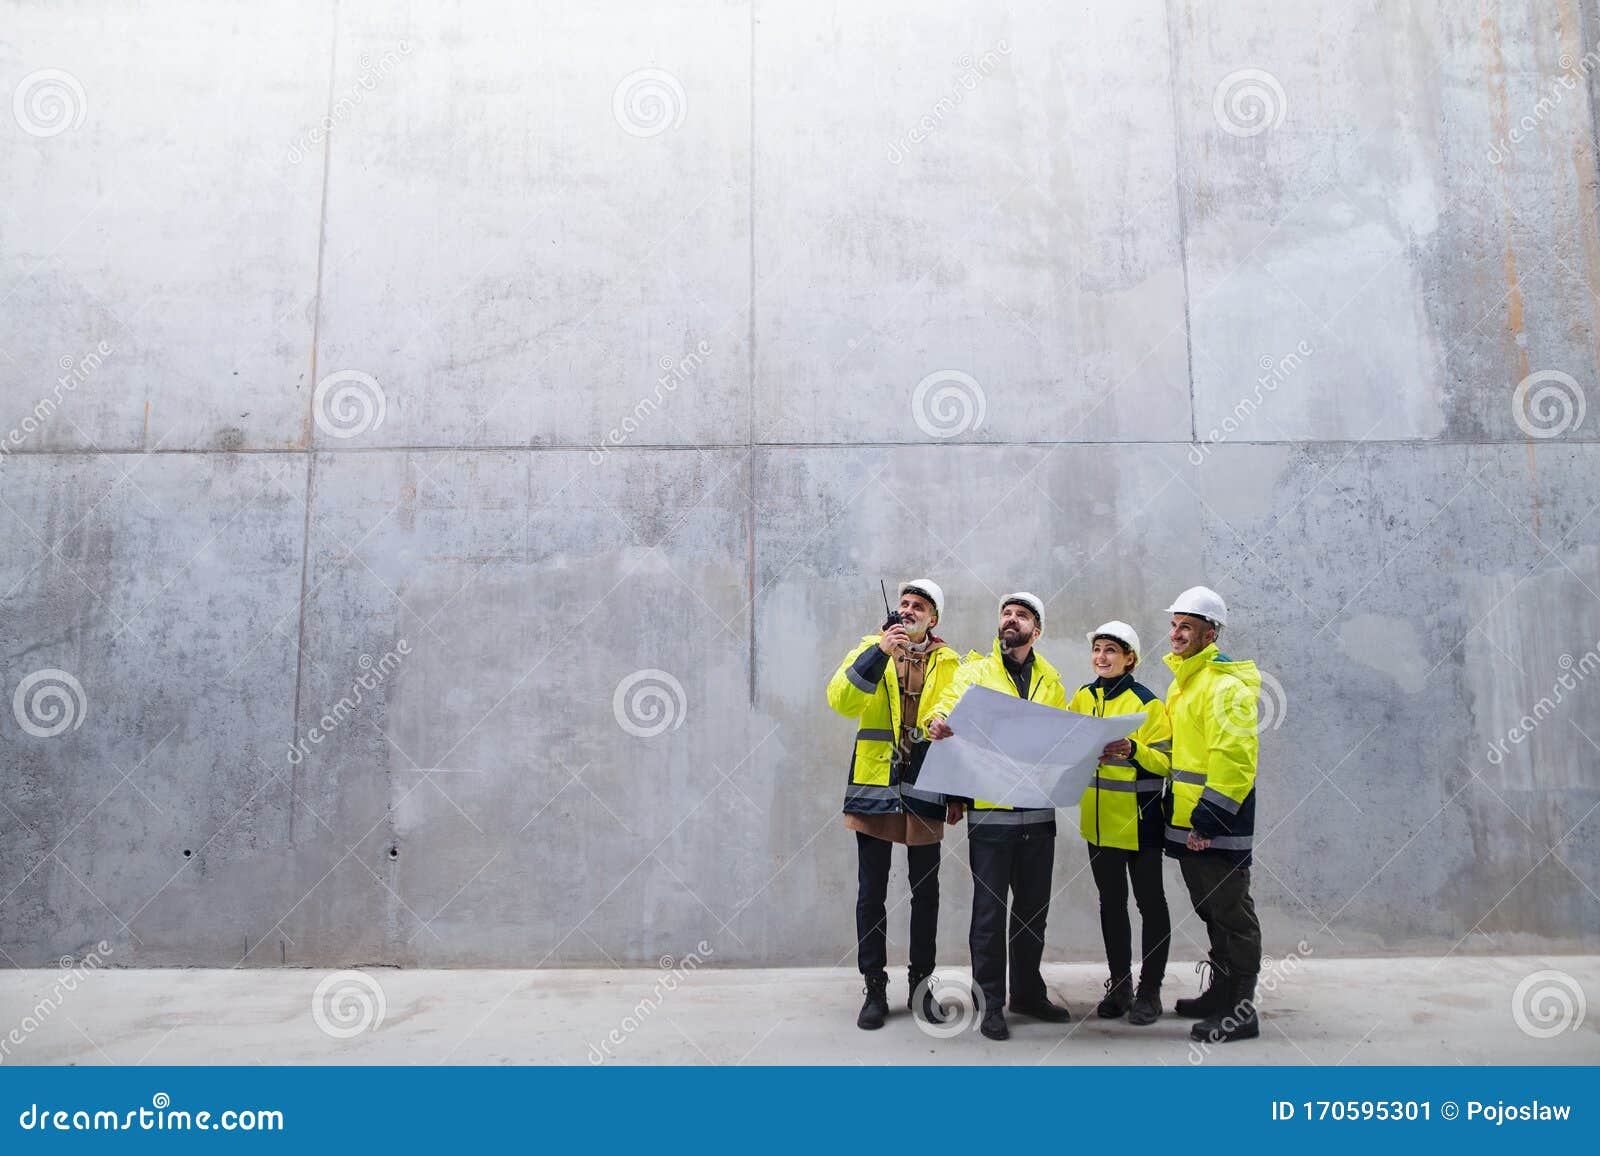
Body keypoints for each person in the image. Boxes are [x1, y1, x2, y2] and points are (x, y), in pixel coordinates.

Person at [926, 592, 1071, 1041]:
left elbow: (1060, 737)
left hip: (1038, 814)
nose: (1011, 620)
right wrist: (936, 721)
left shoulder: (1052, 680)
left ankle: (1028, 992)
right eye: (1006, 614)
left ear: (1036, 629)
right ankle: (990, 1003)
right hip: (991, 814)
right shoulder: (975, 671)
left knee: (1033, 913)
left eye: (1021, 616)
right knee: (989, 915)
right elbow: (943, 707)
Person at [825, 579, 961, 1030]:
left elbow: (959, 721)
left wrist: (958, 789)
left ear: (933, 617)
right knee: (871, 893)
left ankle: (923, 989)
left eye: (918, 605)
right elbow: (841, 702)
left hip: (926, 785)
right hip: (874, 787)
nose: (907, 610)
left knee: (927, 894)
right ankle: (875, 988)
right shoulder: (869, 647)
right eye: (903, 603)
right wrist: (880, 652)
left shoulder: (952, 661)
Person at [1160, 585, 1263, 1043]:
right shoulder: (1184, 685)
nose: (1177, 633)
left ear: (1210, 634)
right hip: (1192, 824)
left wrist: (1208, 822)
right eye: (1175, 624)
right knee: (1212, 912)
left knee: (1233, 915)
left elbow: (1235, 760)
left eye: (1188, 626)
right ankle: (1221, 994)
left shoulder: (1223, 687)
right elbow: (1179, 754)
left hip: (1216, 826)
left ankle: (1241, 1011)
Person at [1069, 621, 1174, 1025]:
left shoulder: (1148, 703)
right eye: (1097, 649)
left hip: (1141, 822)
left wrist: (1133, 749)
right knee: (1111, 905)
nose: (1102, 657)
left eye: (1112, 650)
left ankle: (1151, 991)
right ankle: (1120, 985)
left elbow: (1167, 763)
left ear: (1130, 658)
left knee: (1150, 904)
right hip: (1097, 824)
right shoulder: (1082, 697)